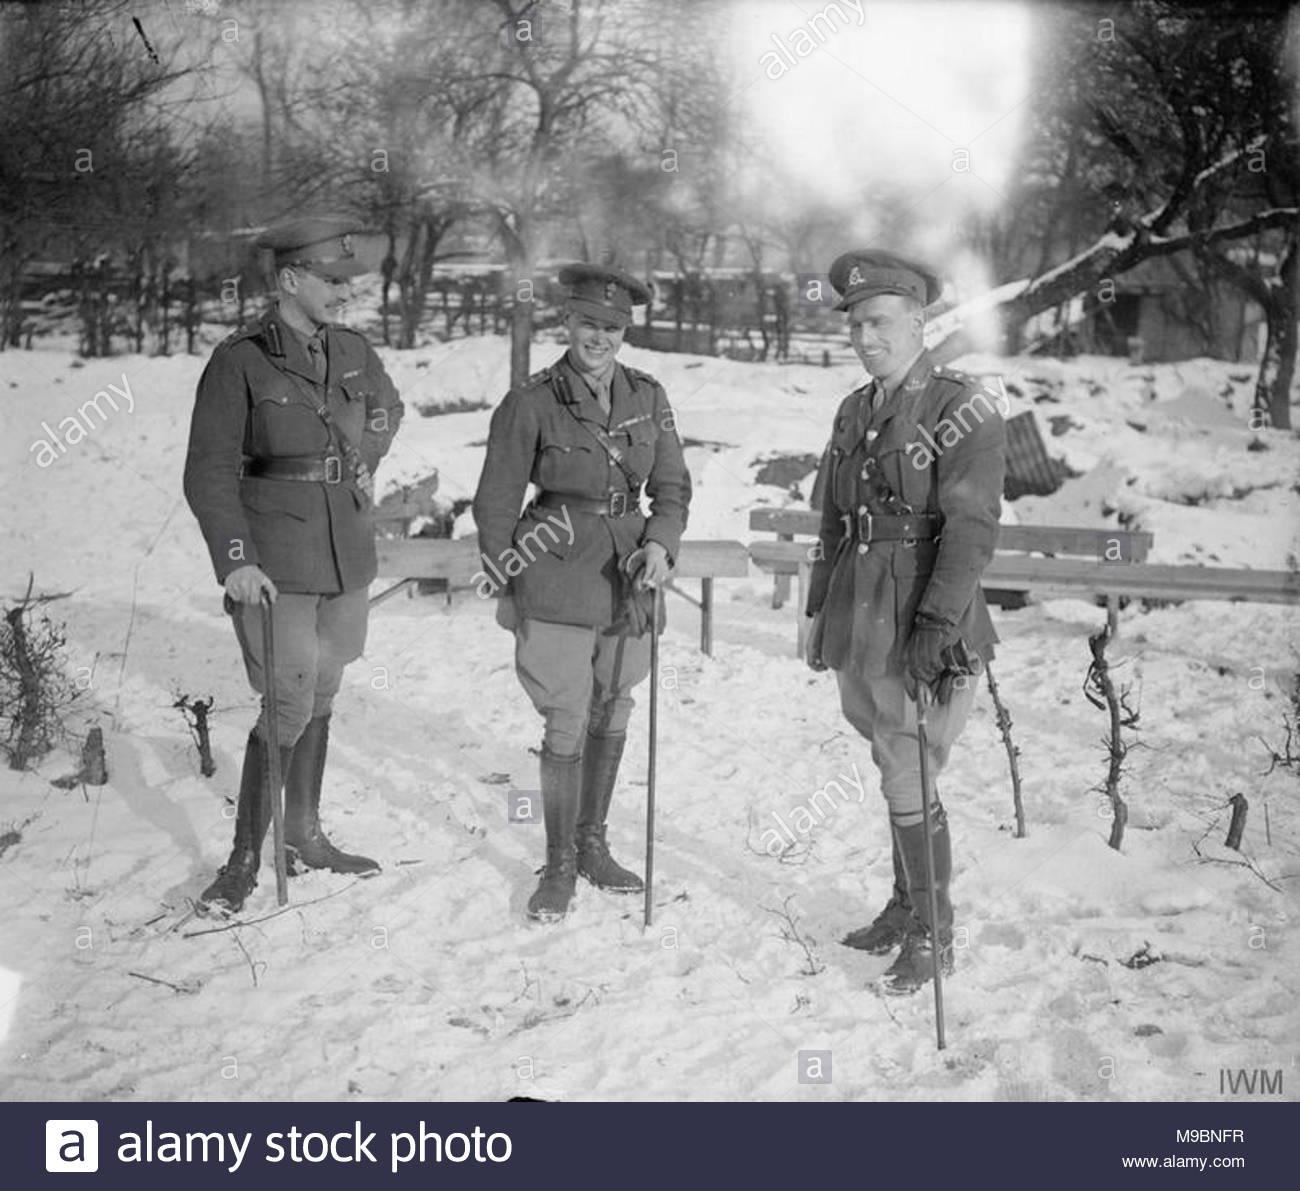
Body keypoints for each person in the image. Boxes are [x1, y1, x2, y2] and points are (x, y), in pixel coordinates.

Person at [183, 215, 404, 914]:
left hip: (346, 554)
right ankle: (244, 860)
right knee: (285, 702)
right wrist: (235, 559)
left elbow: (387, 409)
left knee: (324, 692)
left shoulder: (355, 349)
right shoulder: (239, 360)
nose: (345, 294)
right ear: (289, 280)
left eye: (348, 281)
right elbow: (208, 472)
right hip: (275, 559)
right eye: (332, 280)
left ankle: (305, 834)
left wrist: (360, 456)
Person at [805, 249, 1006, 994]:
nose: (864, 336)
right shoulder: (855, 409)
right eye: (855, 323)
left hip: (923, 618)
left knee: (909, 769)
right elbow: (832, 520)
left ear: (920, 322)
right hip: (861, 615)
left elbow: (972, 529)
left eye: (879, 321)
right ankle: (903, 904)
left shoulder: (960, 405)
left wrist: (933, 628)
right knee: (894, 764)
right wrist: (817, 609)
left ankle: (933, 933)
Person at [473, 264, 692, 922]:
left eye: (614, 327)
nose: (600, 337)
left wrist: (662, 543)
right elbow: (494, 502)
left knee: (615, 705)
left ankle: (594, 843)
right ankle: (560, 861)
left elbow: (673, 488)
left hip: (629, 574)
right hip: (556, 571)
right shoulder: (532, 400)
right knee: (566, 715)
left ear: (626, 330)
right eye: (589, 323)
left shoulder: (650, 398)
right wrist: (512, 580)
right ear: (566, 321)